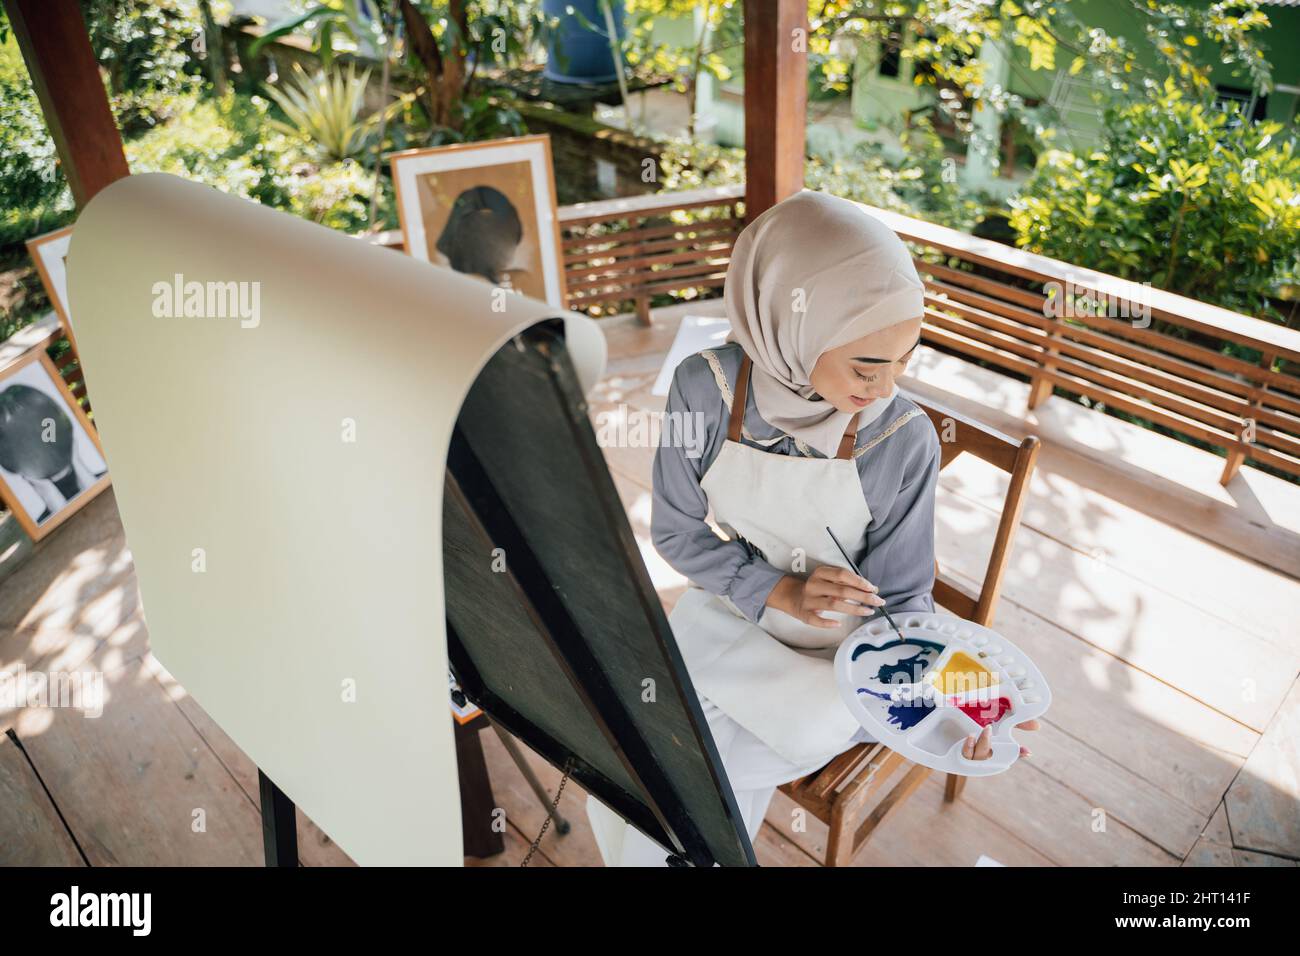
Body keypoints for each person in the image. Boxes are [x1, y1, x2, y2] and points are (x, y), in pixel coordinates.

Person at [585, 191, 1036, 866]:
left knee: (681, 775)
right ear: (790, 324)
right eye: (866, 365)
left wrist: (971, 706)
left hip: (843, 661)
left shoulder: (904, 441)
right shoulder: (705, 389)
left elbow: (906, 604)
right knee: (640, 745)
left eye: (904, 360)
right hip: (731, 613)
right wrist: (777, 589)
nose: (885, 388)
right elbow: (676, 533)